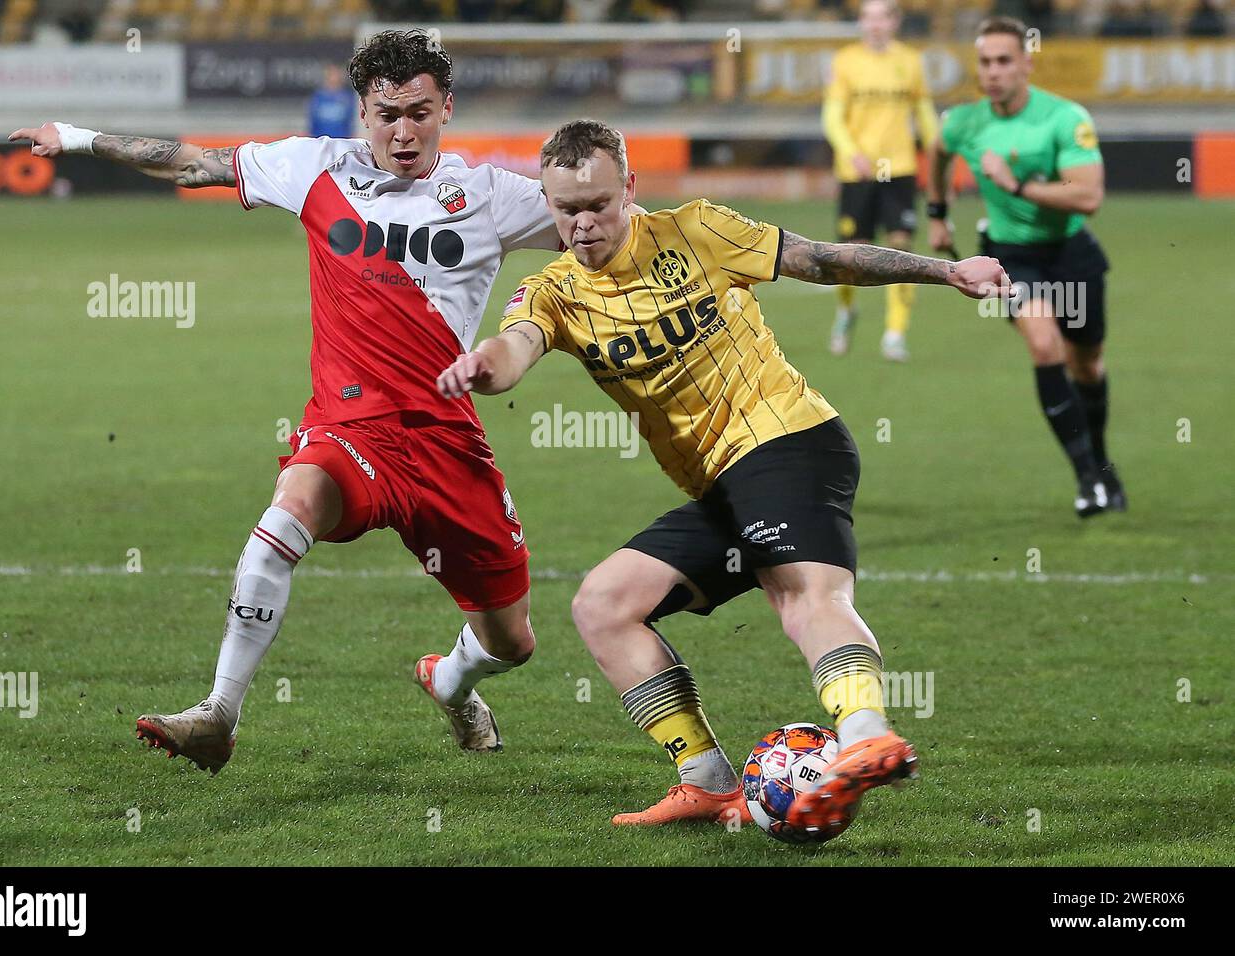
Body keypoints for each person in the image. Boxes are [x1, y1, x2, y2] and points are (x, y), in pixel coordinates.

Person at [9, 30, 571, 773]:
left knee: (513, 642)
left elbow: (595, 232)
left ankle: (450, 682)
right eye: (386, 112)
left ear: (447, 109)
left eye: (420, 113)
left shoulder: (495, 198)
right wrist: (77, 137)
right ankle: (218, 714)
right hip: (351, 428)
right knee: (290, 506)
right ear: (362, 110)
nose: (403, 132)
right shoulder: (312, 167)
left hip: (445, 444)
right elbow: (190, 163)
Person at [436, 119, 1008, 839]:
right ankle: (706, 782)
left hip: (790, 439)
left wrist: (943, 271)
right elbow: (515, 345)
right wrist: (485, 368)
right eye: (565, 209)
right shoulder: (554, 291)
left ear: (630, 191)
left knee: (802, 595)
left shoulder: (696, 231)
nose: (582, 224)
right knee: (603, 605)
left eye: (599, 205)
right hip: (720, 488)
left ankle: (864, 731)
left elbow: (820, 259)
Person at [928, 15, 1125, 518]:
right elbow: (939, 151)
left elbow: (1088, 195)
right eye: (985, 62)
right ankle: (1086, 479)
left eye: (1003, 61)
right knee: (1044, 345)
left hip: (1071, 254)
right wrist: (937, 214)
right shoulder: (963, 122)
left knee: (1087, 363)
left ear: (1026, 65)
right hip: (1010, 257)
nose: (992, 72)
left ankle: (1100, 465)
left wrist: (1014, 184)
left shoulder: (1063, 118)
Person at [822, 0, 938, 362]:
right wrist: (849, 150)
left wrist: (936, 149)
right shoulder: (845, 62)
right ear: (860, 22)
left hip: (899, 168)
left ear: (895, 22)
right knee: (850, 255)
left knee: (900, 249)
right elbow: (832, 115)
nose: (875, 24)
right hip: (857, 171)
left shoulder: (911, 61)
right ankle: (846, 312)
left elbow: (922, 110)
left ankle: (894, 333)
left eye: (882, 17)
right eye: (868, 17)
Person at [308, 62, 359, 139]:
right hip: (320, 140)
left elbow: (352, 121)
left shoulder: (347, 97)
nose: (334, 78)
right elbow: (313, 122)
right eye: (331, 75)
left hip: (342, 140)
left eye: (336, 75)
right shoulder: (318, 97)